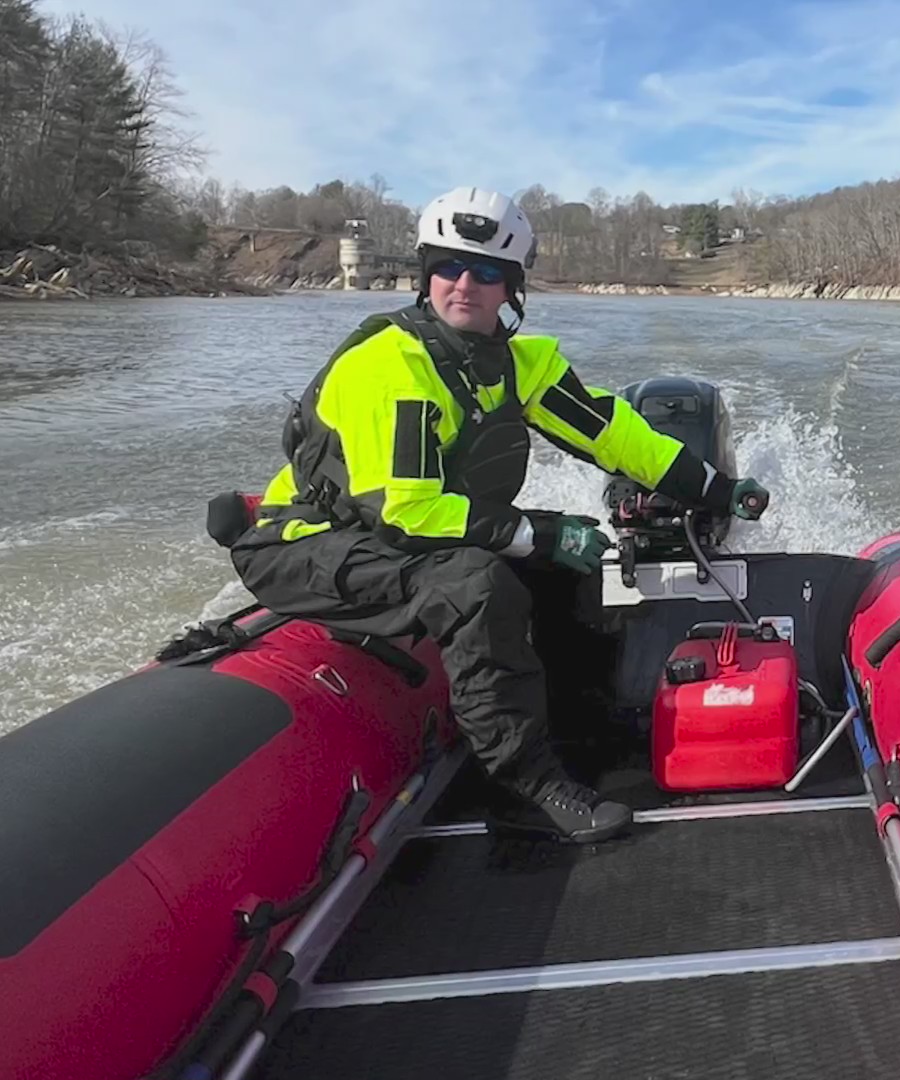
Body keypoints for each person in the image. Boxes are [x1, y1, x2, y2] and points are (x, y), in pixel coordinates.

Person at [224, 187, 769, 844]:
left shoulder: (518, 365)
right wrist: (535, 532)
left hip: (403, 534)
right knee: (476, 586)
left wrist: (717, 490)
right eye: (448, 267)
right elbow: (406, 512)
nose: (464, 285)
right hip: (310, 543)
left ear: (510, 287)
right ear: (427, 274)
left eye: (486, 273)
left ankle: (577, 727)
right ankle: (521, 787)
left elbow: (619, 437)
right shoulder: (390, 366)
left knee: (576, 555)